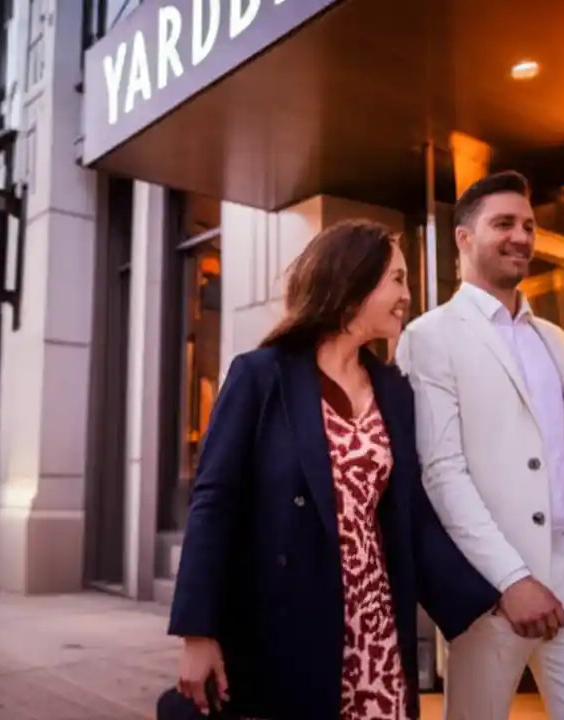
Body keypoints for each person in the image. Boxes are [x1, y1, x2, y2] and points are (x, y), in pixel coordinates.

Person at [168, 220, 499, 720]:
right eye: (397, 279)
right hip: (287, 627)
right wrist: (197, 631)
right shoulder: (262, 376)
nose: (407, 295)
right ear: (353, 282)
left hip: (376, 632)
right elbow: (215, 503)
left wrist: (495, 596)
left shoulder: (393, 390)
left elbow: (409, 516)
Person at [395, 171, 564, 720]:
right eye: (503, 224)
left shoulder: (554, 338)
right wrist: (510, 579)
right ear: (464, 238)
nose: (521, 237)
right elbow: (442, 473)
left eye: (529, 226)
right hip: (492, 581)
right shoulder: (428, 336)